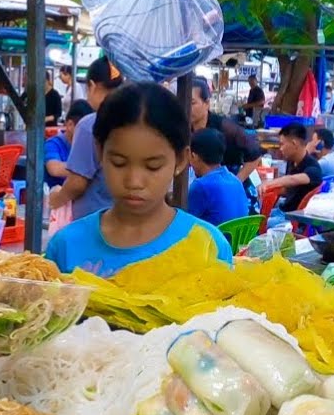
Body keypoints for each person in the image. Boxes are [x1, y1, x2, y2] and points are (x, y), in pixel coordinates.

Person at [44, 82, 233, 277]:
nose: (134, 182)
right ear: (100, 152)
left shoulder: (208, 248)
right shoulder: (65, 247)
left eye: (153, 166)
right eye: (119, 163)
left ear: (180, 160)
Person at [47, 57, 123, 220]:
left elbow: (77, 183)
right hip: (126, 219)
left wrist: (56, 199)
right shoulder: (132, 120)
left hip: (94, 222)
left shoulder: (90, 125)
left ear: (92, 86)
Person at [189, 77, 263, 212]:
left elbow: (256, 155)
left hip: (233, 191)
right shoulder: (184, 128)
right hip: (202, 188)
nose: (187, 108)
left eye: (192, 103)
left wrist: (235, 182)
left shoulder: (225, 127)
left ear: (207, 103)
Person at [187, 128, 250, 227]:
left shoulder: (201, 186)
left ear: (194, 156)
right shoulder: (235, 180)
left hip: (213, 241)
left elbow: (186, 223)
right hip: (238, 242)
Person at [263, 122, 322, 211]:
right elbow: (288, 189)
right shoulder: (292, 162)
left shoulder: (313, 168)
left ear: (294, 143)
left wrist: (268, 184)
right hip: (283, 209)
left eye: (282, 144)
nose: (281, 148)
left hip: (292, 218)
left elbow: (293, 179)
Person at [43, 100, 95, 187]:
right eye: (84, 128)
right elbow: (54, 169)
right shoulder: (53, 144)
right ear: (70, 125)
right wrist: (87, 168)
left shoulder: (87, 145)